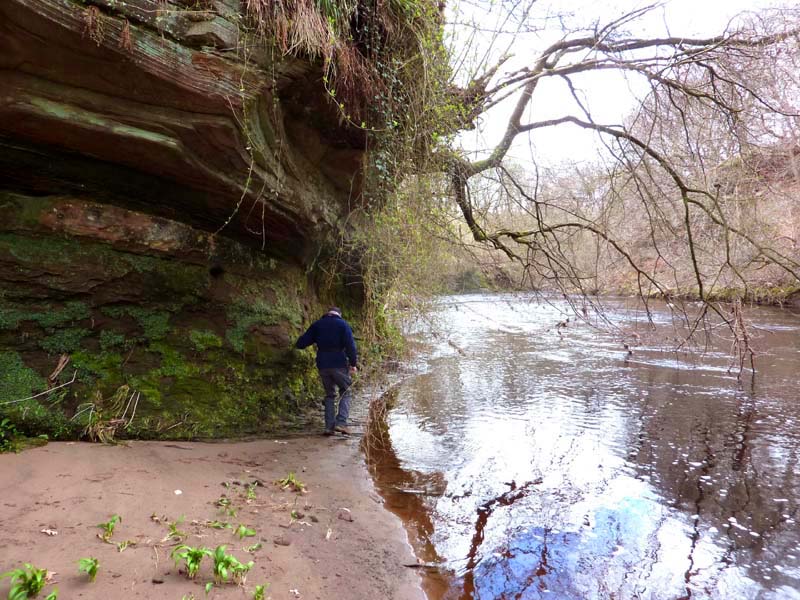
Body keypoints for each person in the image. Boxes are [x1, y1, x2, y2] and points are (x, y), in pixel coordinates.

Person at [295, 306, 358, 436]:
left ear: (328, 313)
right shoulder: (343, 325)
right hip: (339, 364)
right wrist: (353, 363)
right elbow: (351, 346)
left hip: (323, 364)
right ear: (339, 314)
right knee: (346, 391)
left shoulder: (317, 325)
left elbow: (301, 343)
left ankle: (329, 427)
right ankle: (341, 423)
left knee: (329, 395)